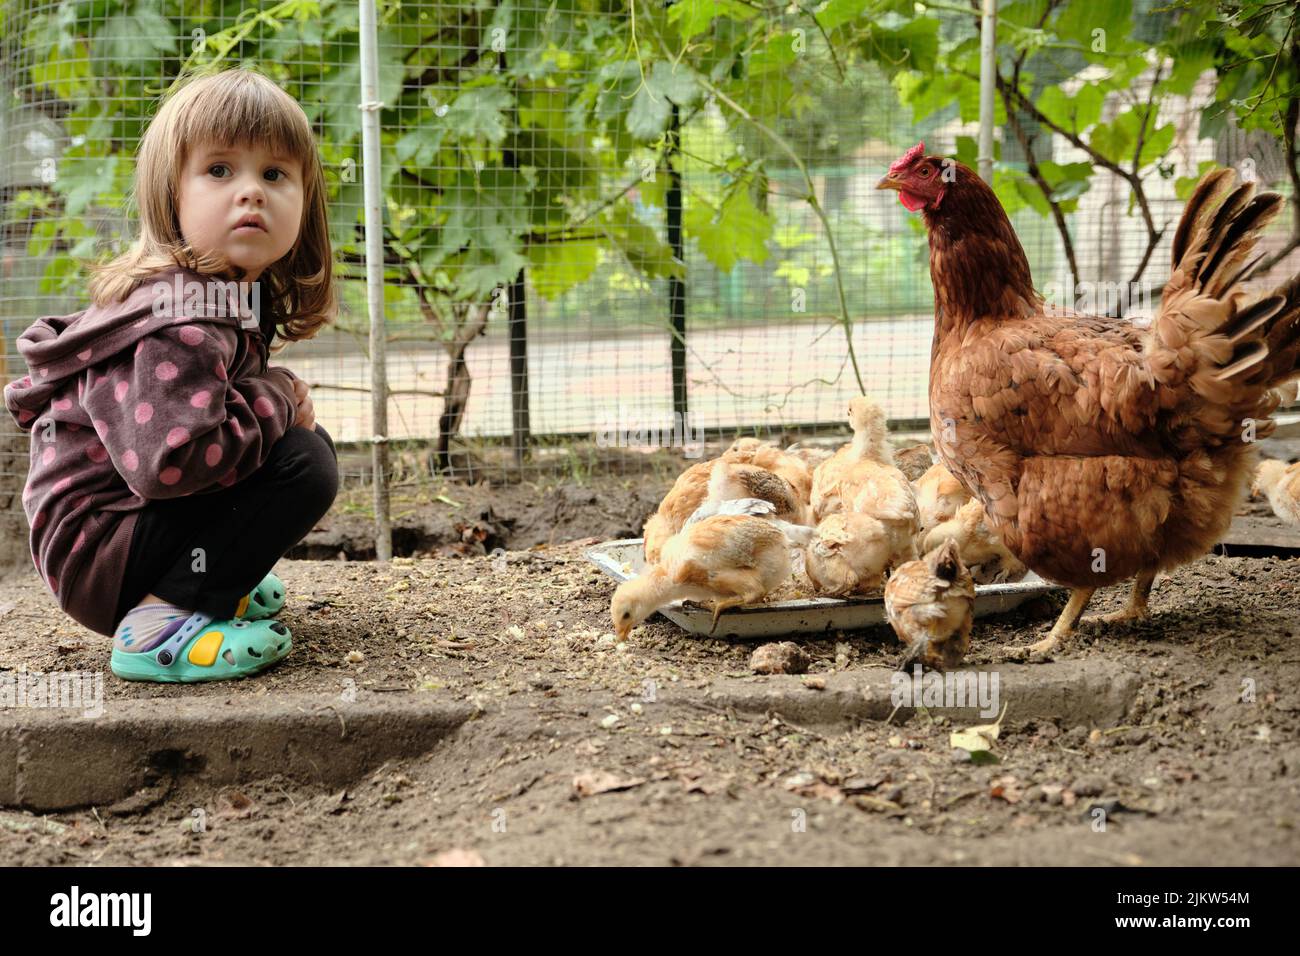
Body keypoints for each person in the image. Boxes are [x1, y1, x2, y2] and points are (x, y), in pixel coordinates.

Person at [3, 68, 339, 683]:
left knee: (300, 450)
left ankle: (201, 574)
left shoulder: (222, 300)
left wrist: (273, 398)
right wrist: (279, 396)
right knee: (303, 464)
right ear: (170, 194)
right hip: (100, 555)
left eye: (275, 174)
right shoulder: (171, 321)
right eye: (219, 170)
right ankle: (161, 621)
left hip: (115, 539)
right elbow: (172, 465)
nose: (251, 192)